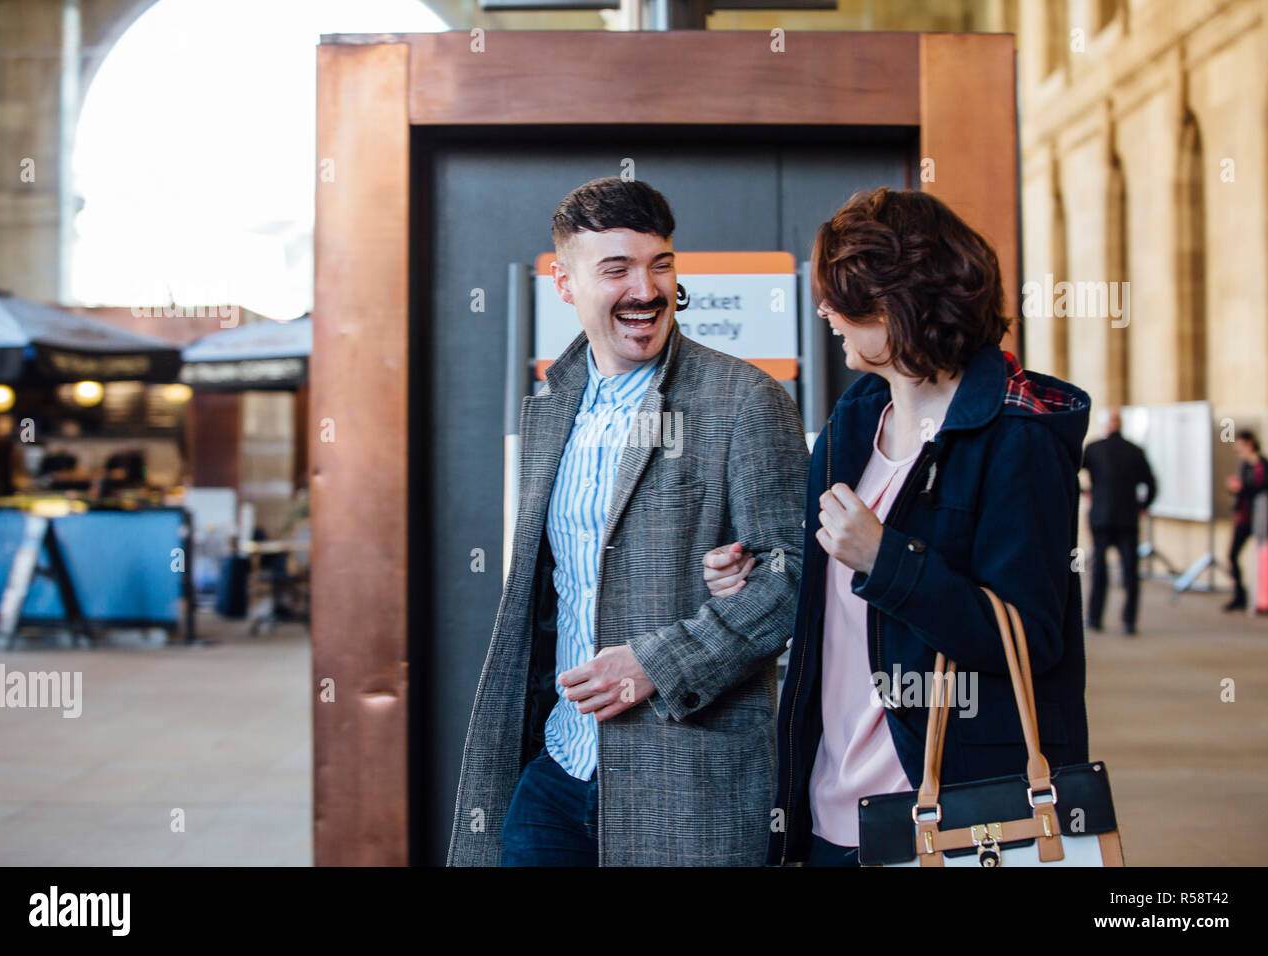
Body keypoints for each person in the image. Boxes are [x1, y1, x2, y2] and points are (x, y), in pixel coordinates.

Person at [710, 188, 1091, 867]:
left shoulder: (1015, 435)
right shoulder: (854, 422)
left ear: (901, 305)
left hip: (951, 815)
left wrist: (887, 561)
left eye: (843, 298)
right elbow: (833, 612)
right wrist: (753, 580)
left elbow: (1031, 643)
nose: (824, 311)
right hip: (831, 805)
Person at [447, 178, 808, 866]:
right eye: (616, 269)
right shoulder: (552, 406)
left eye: (661, 264)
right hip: (559, 770)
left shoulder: (745, 400)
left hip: (685, 785)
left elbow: (794, 578)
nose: (646, 289)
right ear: (564, 282)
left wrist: (656, 662)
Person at [1081, 409, 1157, 635]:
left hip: (1101, 518)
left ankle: (1095, 617)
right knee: (1130, 571)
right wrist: (1143, 506)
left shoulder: (1093, 448)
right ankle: (1129, 621)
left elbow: (1070, 471)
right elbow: (1151, 484)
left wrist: (1085, 491)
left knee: (1099, 571)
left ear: (1106, 426)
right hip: (1127, 518)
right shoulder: (1134, 451)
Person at [1223, 430, 1268, 612]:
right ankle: (1240, 594)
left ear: (1250, 443)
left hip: (1262, 517)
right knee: (1233, 555)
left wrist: (1243, 487)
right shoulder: (1244, 466)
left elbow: (1266, 489)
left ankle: (1265, 597)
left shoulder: (1263, 466)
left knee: (1263, 556)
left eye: (1241, 446)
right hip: (1245, 517)